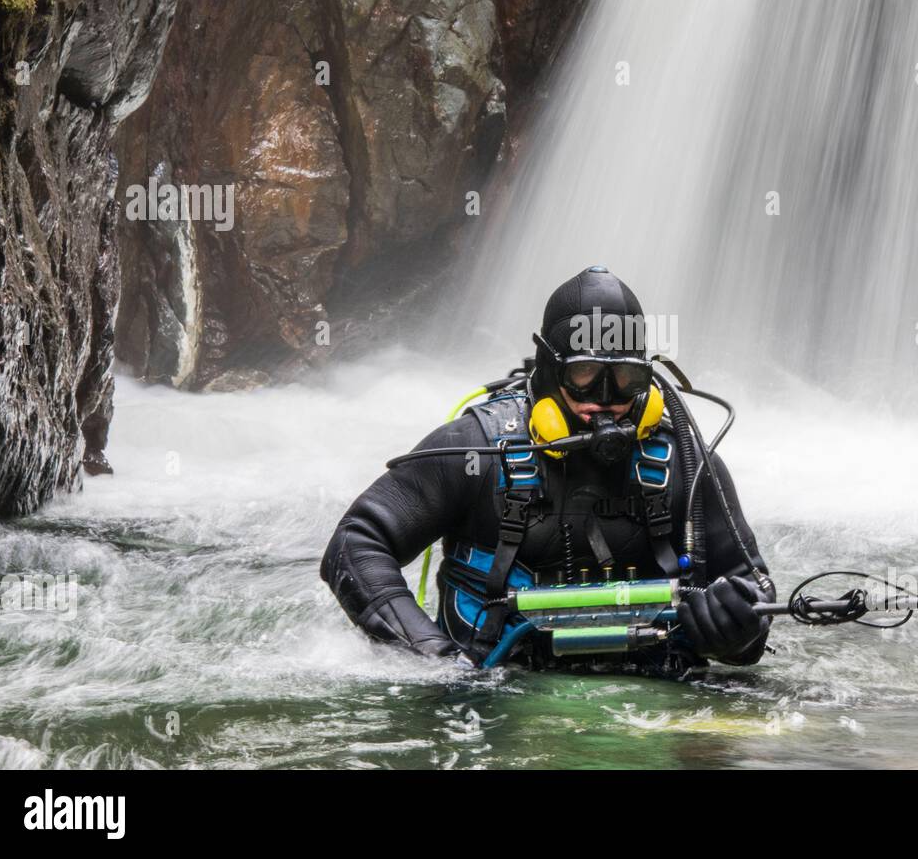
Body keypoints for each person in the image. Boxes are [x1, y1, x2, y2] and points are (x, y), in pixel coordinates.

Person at [321, 267, 773, 672]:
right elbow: (354, 543)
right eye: (585, 374)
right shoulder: (476, 450)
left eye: (625, 379)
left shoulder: (687, 464)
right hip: (488, 699)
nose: (604, 399)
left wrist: (736, 633)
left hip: (653, 702)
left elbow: (753, 589)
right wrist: (431, 657)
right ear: (549, 369)